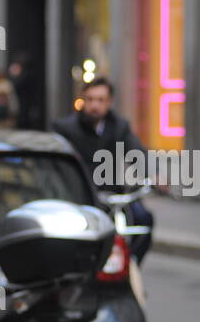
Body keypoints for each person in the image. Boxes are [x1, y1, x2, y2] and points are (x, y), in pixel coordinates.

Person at [52, 76, 157, 262]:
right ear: (83, 100)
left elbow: (136, 152)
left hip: (114, 196)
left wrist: (153, 174)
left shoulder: (119, 126)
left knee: (143, 219)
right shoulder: (66, 128)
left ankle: (130, 265)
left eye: (100, 100)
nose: (94, 106)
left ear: (109, 103)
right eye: (90, 99)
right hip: (81, 197)